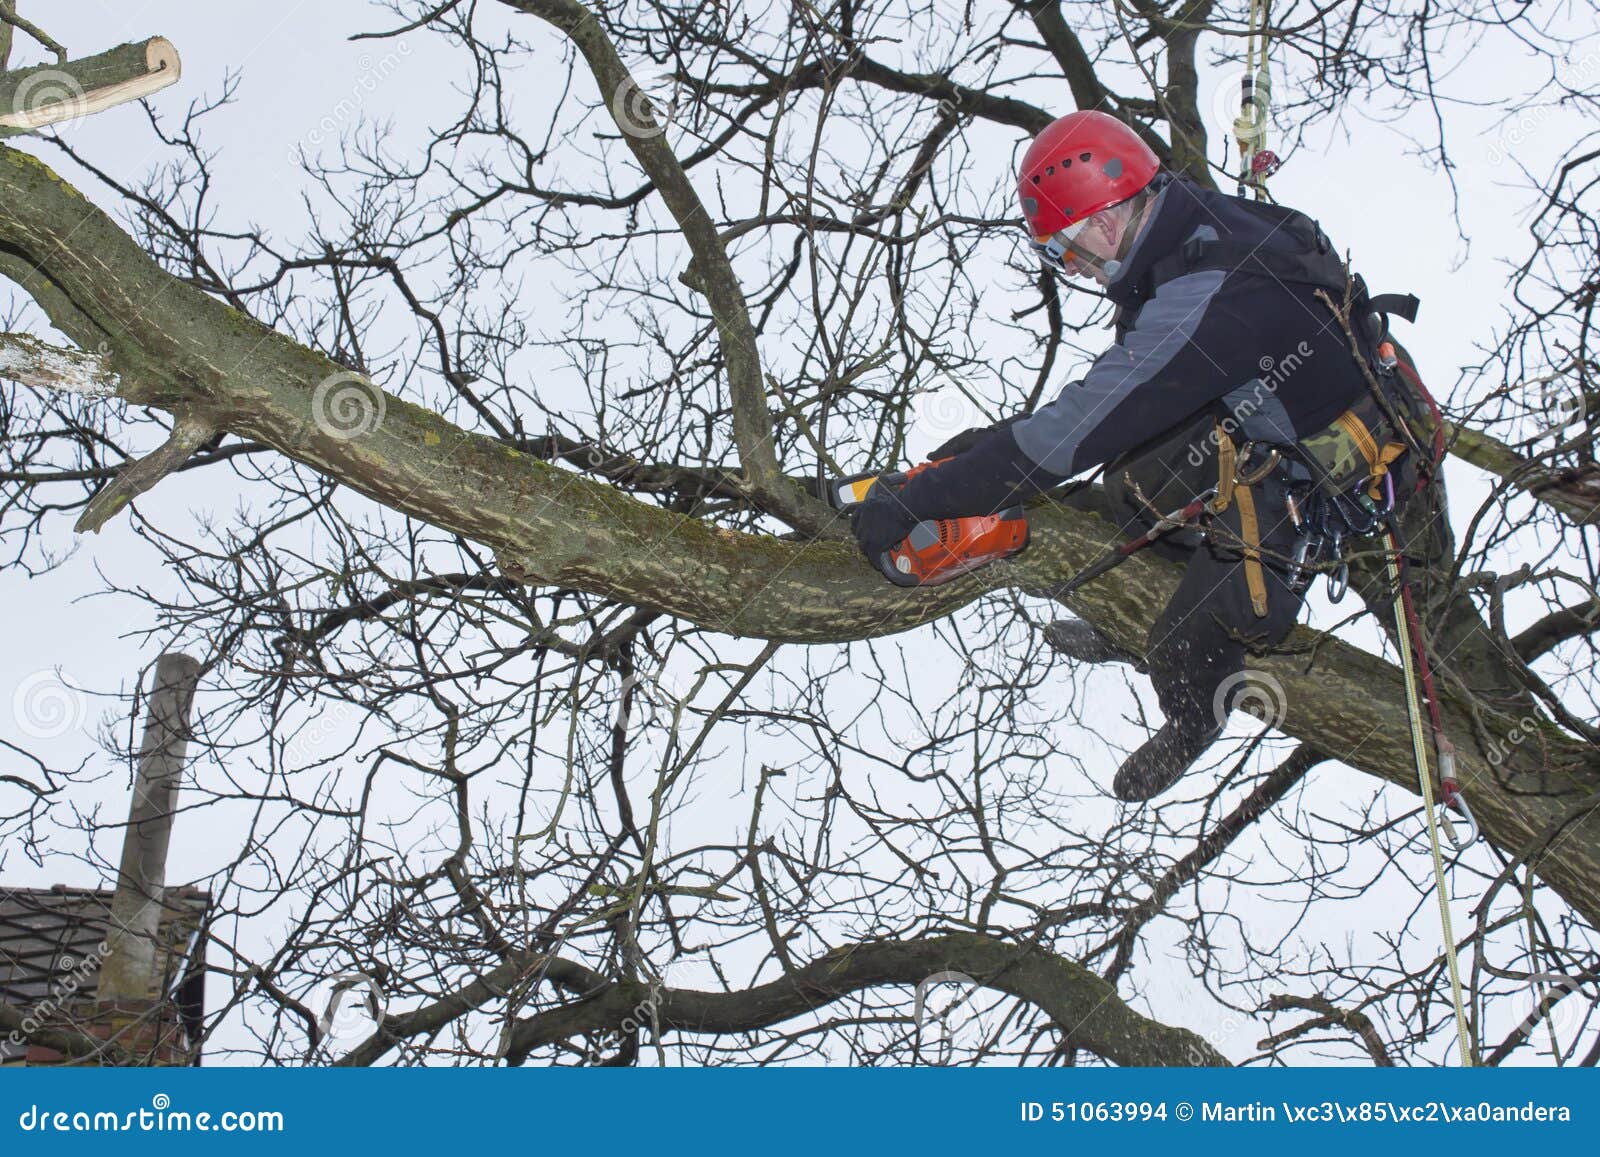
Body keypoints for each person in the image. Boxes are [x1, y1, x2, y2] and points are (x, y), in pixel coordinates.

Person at [850, 110, 1431, 802]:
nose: (1077, 270)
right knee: (1128, 483)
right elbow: (1109, 413)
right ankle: (1131, 620)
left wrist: (923, 501)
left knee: (1193, 631)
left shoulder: (1204, 295)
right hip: (1271, 412)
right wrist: (941, 472)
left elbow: (1068, 434)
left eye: (1067, 254)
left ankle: (1194, 714)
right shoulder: (1183, 235)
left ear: (1098, 224)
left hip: (1341, 460)